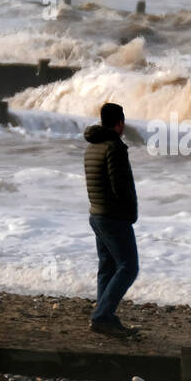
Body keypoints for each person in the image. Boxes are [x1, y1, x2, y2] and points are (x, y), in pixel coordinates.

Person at [84, 102, 139, 338]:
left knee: (107, 268)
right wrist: (130, 212)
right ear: (119, 123)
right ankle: (102, 316)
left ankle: (105, 316)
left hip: (97, 214)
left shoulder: (93, 147)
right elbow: (121, 186)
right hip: (113, 217)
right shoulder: (115, 147)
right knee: (128, 267)